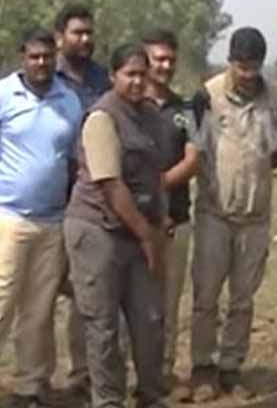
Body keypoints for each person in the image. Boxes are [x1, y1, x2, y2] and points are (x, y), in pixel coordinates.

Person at [186, 27, 277, 401]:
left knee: (244, 299)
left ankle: (231, 368)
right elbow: (190, 150)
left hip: (256, 217)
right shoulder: (205, 97)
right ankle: (202, 369)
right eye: (241, 66)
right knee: (206, 297)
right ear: (230, 62)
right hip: (214, 213)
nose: (248, 74)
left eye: (254, 67)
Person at [63, 44, 169, 408]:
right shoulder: (101, 118)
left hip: (138, 230)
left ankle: (151, 397)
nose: (138, 81)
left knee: (149, 319)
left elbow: (155, 177)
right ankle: (108, 401)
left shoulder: (153, 116)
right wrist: (147, 237)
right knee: (103, 324)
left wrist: (159, 224)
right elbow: (111, 186)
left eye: (143, 73)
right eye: (130, 74)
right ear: (113, 77)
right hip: (98, 230)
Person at [0, 28, 84, 407]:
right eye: (34, 56)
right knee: (2, 302)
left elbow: (72, 162)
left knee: (39, 310)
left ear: (56, 56)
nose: (41, 63)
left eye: (47, 56)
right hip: (9, 217)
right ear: (23, 57)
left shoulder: (68, 100)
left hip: (53, 222)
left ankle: (29, 387)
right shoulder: (4, 95)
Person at [138, 30, 200, 395]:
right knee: (131, 302)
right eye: (157, 59)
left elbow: (193, 159)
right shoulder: (127, 106)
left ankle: (163, 372)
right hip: (131, 223)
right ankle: (132, 373)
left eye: (170, 60)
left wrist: (155, 185)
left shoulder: (186, 110)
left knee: (169, 302)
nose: (164, 66)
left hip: (176, 220)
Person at [53, 4, 109, 398]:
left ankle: (80, 375)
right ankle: (31, 380)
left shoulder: (103, 79)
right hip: (42, 207)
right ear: (60, 37)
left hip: (89, 203)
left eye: (89, 33)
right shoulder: (41, 77)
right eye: (77, 33)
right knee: (34, 298)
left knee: (84, 294)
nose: (85, 40)